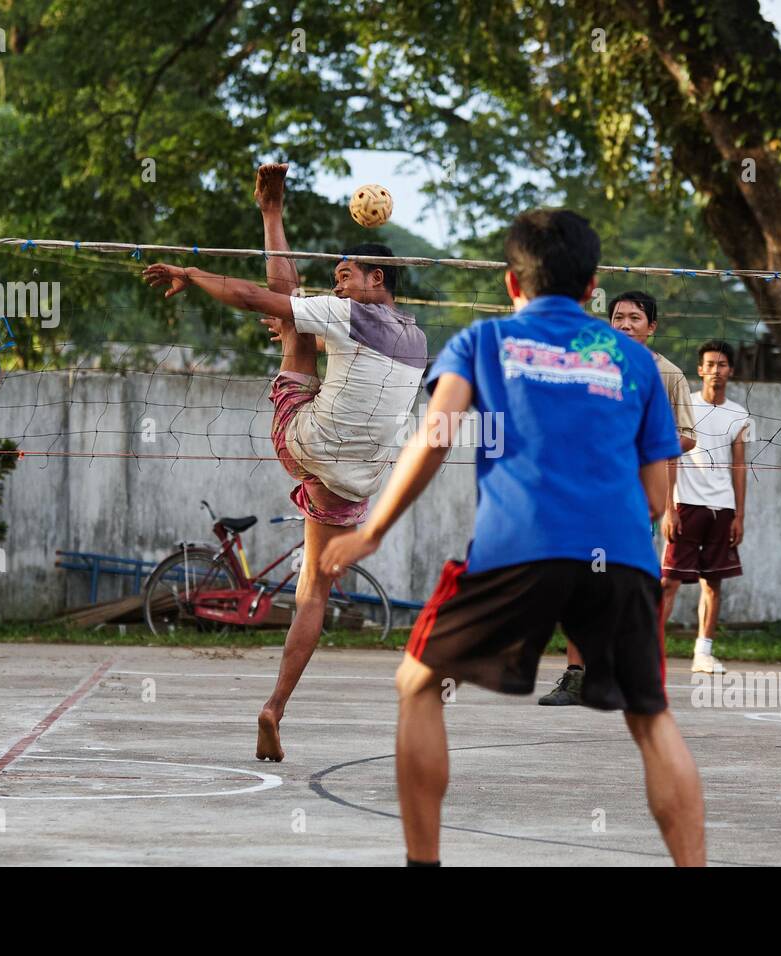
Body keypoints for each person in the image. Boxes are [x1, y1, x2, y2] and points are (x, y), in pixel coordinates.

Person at [319, 208, 706, 866]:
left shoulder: (483, 341)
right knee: (650, 716)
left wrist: (374, 530)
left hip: (517, 547)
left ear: (510, 283)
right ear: (593, 290)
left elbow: (435, 436)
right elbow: (657, 497)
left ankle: (424, 862)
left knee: (419, 683)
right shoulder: (637, 364)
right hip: (621, 553)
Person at [144, 163, 427, 761]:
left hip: (306, 444)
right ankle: (274, 706)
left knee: (293, 320)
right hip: (356, 481)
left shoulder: (351, 314)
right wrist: (292, 318)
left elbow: (255, 296)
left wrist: (194, 272)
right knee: (313, 595)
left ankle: (270, 212)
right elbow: (297, 312)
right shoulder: (417, 338)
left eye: (347, 274)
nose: (340, 282)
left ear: (377, 277)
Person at [539, 289, 696, 705]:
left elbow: (688, 436)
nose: (625, 324)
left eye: (635, 318)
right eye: (618, 317)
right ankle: (575, 675)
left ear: (652, 327)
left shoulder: (667, 374)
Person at [661, 340, 750, 674]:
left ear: (731, 370)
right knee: (668, 581)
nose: (716, 370)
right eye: (710, 364)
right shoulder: (688, 406)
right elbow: (671, 456)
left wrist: (740, 514)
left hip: (722, 508)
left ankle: (703, 653)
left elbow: (739, 467)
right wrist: (669, 508)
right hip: (686, 505)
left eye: (722, 364)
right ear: (700, 370)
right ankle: (650, 651)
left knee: (713, 583)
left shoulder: (740, 414)